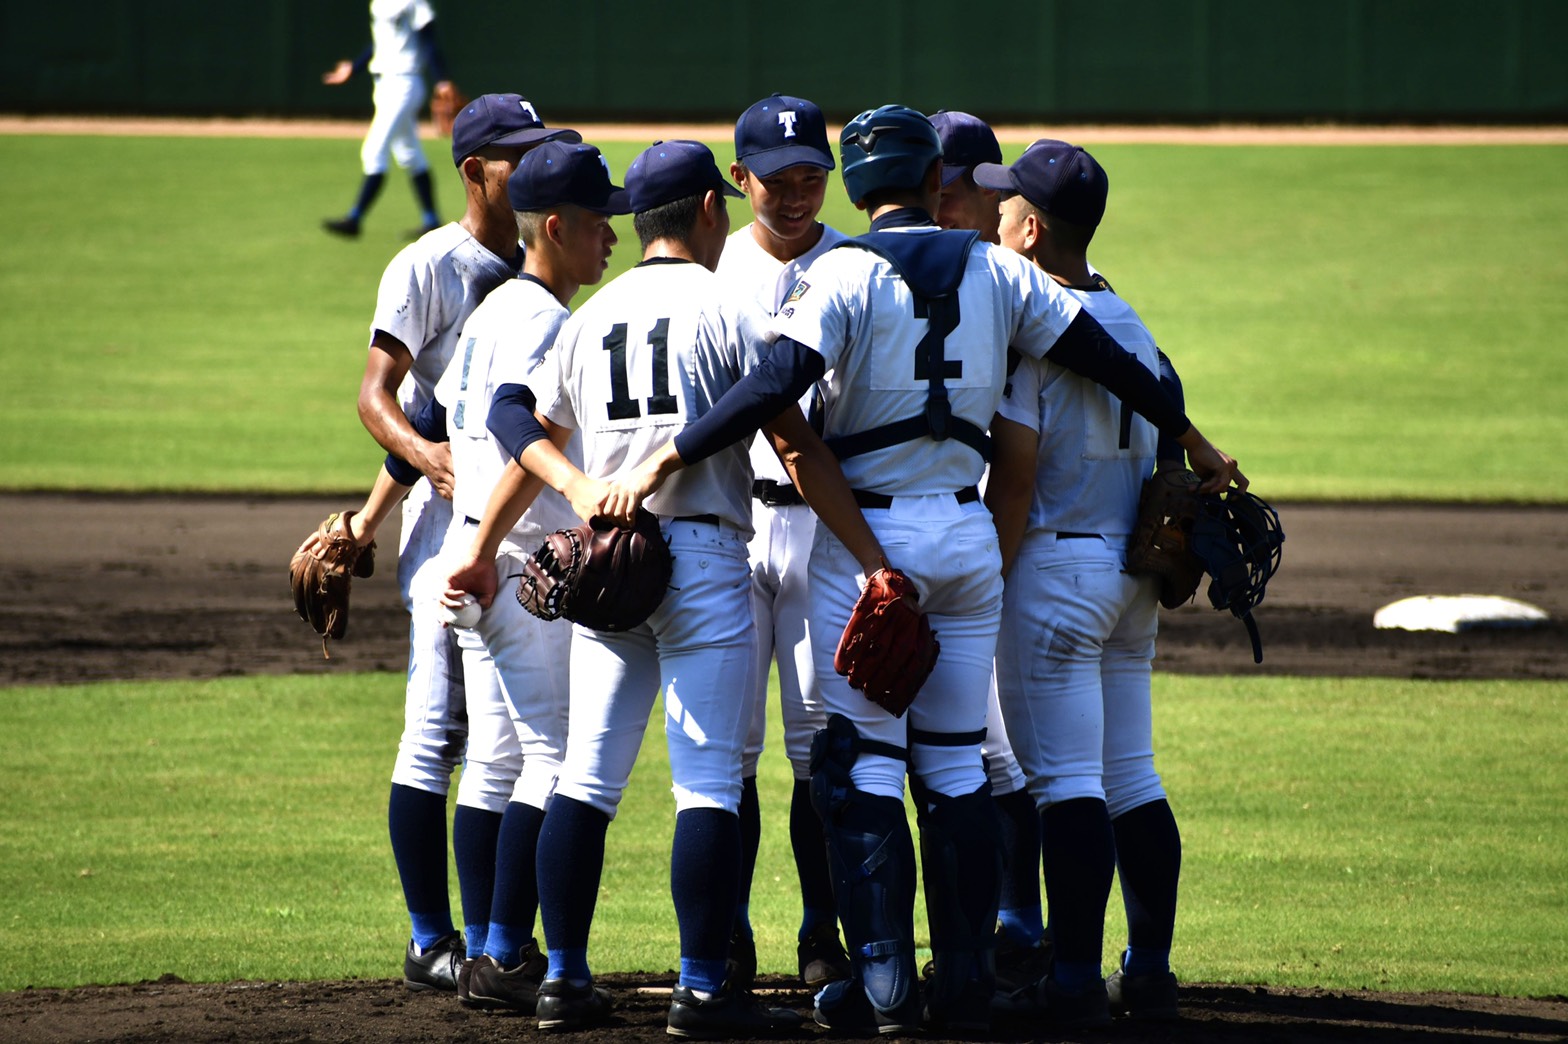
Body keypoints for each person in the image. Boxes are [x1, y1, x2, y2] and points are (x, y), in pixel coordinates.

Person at [597, 104, 1241, 1035]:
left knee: (858, 772)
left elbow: (771, 388)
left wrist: (667, 457)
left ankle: (886, 990)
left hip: (870, 551)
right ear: (933, 174)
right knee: (958, 774)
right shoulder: (996, 270)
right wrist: (1195, 440)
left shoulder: (840, 274)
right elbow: (1105, 357)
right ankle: (968, 983)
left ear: (858, 182)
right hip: (970, 547)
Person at [454, 139, 857, 1037]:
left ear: (642, 220)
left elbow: (509, 413)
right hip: (704, 560)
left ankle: (560, 979)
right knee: (708, 783)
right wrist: (870, 553)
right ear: (710, 213)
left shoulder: (591, 317)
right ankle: (704, 989)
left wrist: (575, 487)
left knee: (586, 782)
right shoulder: (729, 305)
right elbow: (791, 438)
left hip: (607, 568)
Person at [324, 140, 626, 1011]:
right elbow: (520, 435)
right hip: (514, 564)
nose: (613, 236)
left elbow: (434, 416)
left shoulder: (497, 314)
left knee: (494, 760)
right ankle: (503, 954)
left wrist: (372, 517)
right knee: (554, 760)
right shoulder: (543, 324)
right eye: (599, 221)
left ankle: (495, 952)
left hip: (471, 561)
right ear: (556, 229)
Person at [978, 140, 1195, 1027]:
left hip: (1056, 570)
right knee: (1132, 778)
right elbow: (1173, 442)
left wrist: (982, 578)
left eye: (1003, 207)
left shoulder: (1034, 334)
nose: (992, 216)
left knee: (1064, 784)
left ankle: (1069, 982)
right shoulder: (1133, 316)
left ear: (1029, 233)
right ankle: (1146, 971)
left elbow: (1017, 479)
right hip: (1129, 580)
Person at [716, 92, 852, 992]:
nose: (797, 195)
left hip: (821, 531)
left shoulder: (858, 265)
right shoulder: (711, 270)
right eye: (778, 181)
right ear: (740, 180)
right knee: (728, 750)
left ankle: (819, 932)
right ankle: (725, 935)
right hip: (733, 524)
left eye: (812, 177)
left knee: (816, 747)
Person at [928, 108, 1052, 998]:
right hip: (935, 533)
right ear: (948, 190)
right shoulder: (914, 271)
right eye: (985, 186)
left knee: (991, 753)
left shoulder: (1008, 278)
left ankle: (1008, 930)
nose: (1000, 201)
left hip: (987, 542)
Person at [322, 0, 454, 237]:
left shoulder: (414, 2)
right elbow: (381, 43)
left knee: (373, 151)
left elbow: (430, 41)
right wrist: (354, 68)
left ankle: (354, 219)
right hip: (382, 84)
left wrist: (442, 80)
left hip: (404, 82)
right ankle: (431, 218)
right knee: (409, 153)